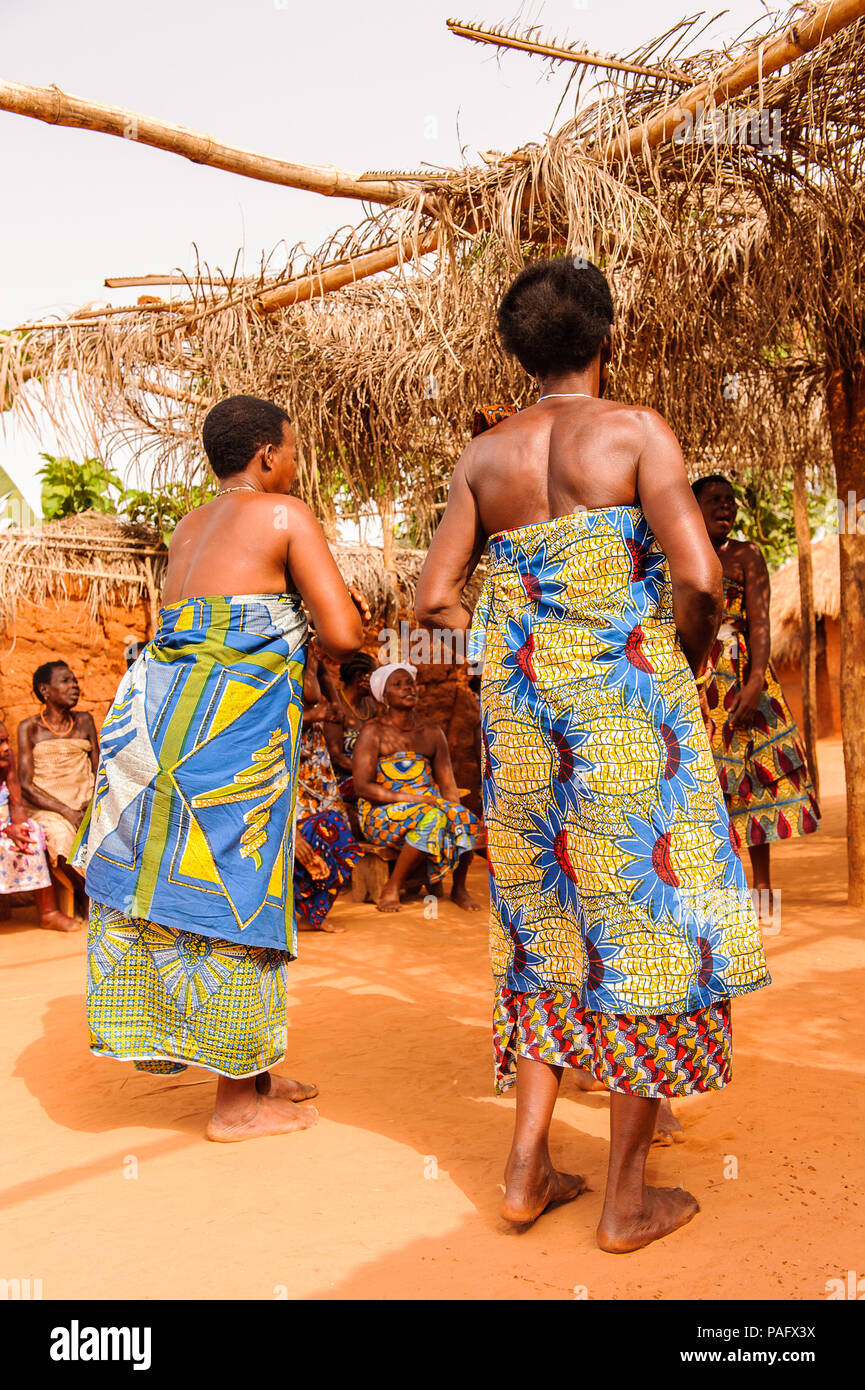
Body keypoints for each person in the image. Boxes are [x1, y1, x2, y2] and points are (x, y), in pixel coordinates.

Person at [415, 257, 770, 1252]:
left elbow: (433, 600)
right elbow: (698, 577)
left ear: (518, 352)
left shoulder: (484, 457)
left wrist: (514, 664)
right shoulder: (636, 431)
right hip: (625, 716)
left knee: (544, 929)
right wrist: (673, 663)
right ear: (607, 335)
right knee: (645, 927)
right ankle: (625, 1201)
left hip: (526, 732)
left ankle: (525, 1168)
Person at [71, 394, 363, 1142]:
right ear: (267, 454)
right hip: (223, 742)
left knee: (199, 889)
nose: (294, 465)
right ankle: (236, 1107)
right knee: (234, 891)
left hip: (158, 732)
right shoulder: (285, 514)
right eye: (292, 452)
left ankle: (254, 1069)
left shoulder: (188, 525)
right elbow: (343, 633)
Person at [693, 475, 820, 899]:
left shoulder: (746, 554)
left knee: (754, 780)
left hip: (740, 673)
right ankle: (716, 892)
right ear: (693, 506)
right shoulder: (680, 553)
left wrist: (754, 685)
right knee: (705, 782)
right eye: (715, 500)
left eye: (730, 501)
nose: (725, 507)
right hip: (693, 675)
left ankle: (762, 889)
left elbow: (761, 624)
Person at [353, 663, 481, 913]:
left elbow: (448, 785)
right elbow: (363, 787)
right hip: (382, 812)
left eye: (410, 683)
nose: (407, 688)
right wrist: (413, 799)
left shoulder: (432, 732)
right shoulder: (373, 732)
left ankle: (459, 888)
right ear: (384, 695)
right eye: (398, 685)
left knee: (465, 818)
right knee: (433, 818)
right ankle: (392, 886)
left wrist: (455, 812)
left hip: (428, 806)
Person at [17, 662, 98, 895]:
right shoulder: (29, 728)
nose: (74, 686)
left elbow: (98, 768)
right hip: (48, 806)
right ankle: (86, 897)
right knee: (61, 835)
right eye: (65, 681)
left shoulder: (85, 721)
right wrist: (67, 811)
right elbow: (25, 785)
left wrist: (92, 802)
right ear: (45, 690)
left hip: (85, 802)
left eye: (75, 680)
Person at [294, 649, 361, 932]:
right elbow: (267, 714)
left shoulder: (312, 654)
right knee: (298, 837)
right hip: (289, 750)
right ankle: (298, 912)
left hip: (314, 754)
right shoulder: (283, 651)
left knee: (338, 832)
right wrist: (313, 714)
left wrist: (333, 704)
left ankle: (315, 914)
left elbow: (322, 673)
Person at [0, 719, 82, 931]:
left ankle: (48, 913)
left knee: (32, 833)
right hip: (2, 827)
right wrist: (5, 829)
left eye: (7, 740)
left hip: (6, 822)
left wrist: (19, 827)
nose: (7, 747)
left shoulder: (8, 758)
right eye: (0, 742)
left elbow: (16, 799)